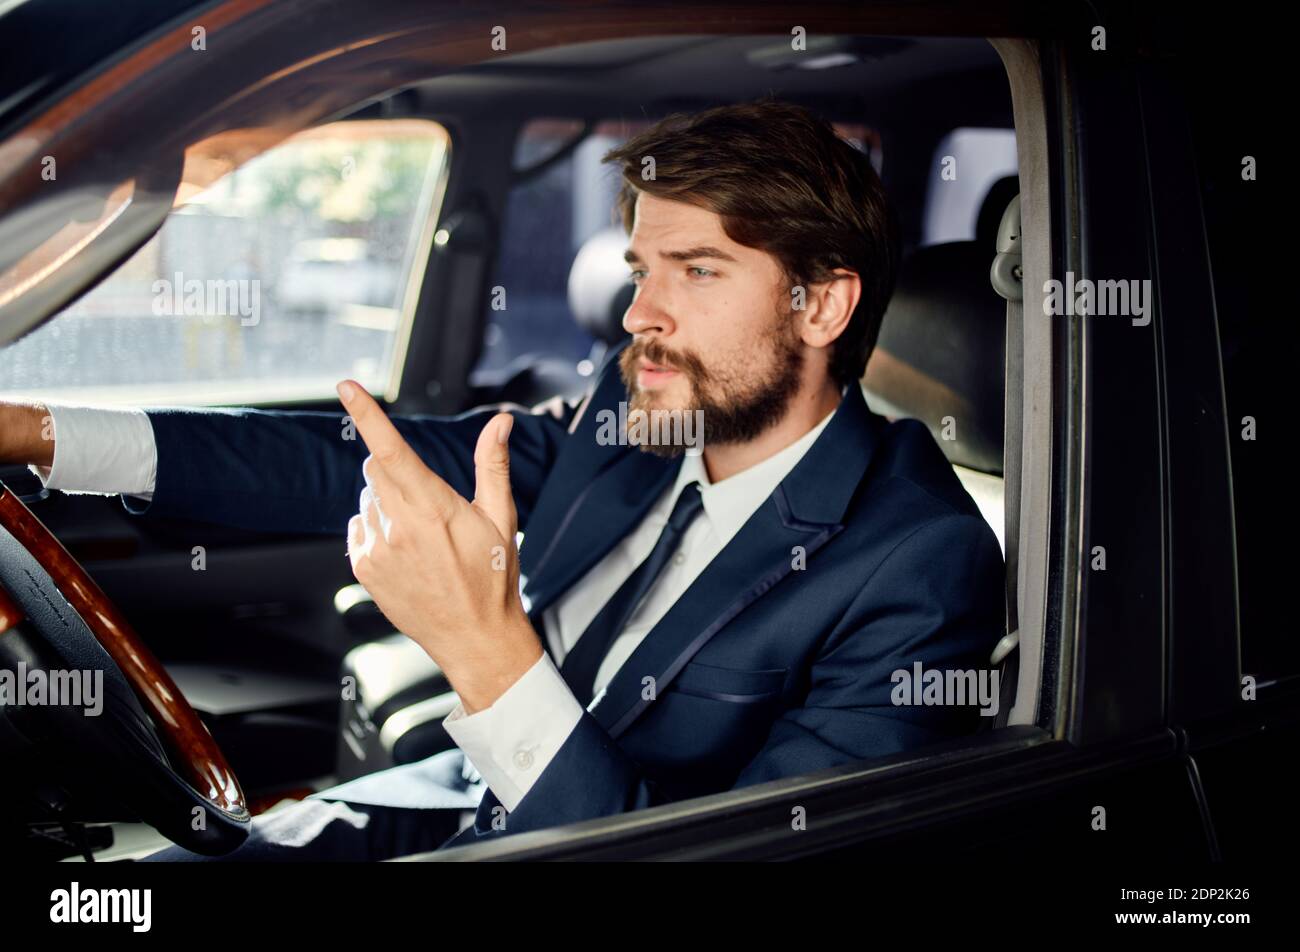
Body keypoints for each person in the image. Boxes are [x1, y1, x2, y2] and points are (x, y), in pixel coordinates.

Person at [0, 100, 1005, 860]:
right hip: (460, 790)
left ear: (821, 306)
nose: (636, 314)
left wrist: (485, 650)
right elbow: (333, 461)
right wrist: (37, 434)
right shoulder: (630, 422)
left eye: (695, 270)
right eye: (638, 266)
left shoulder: (919, 563)